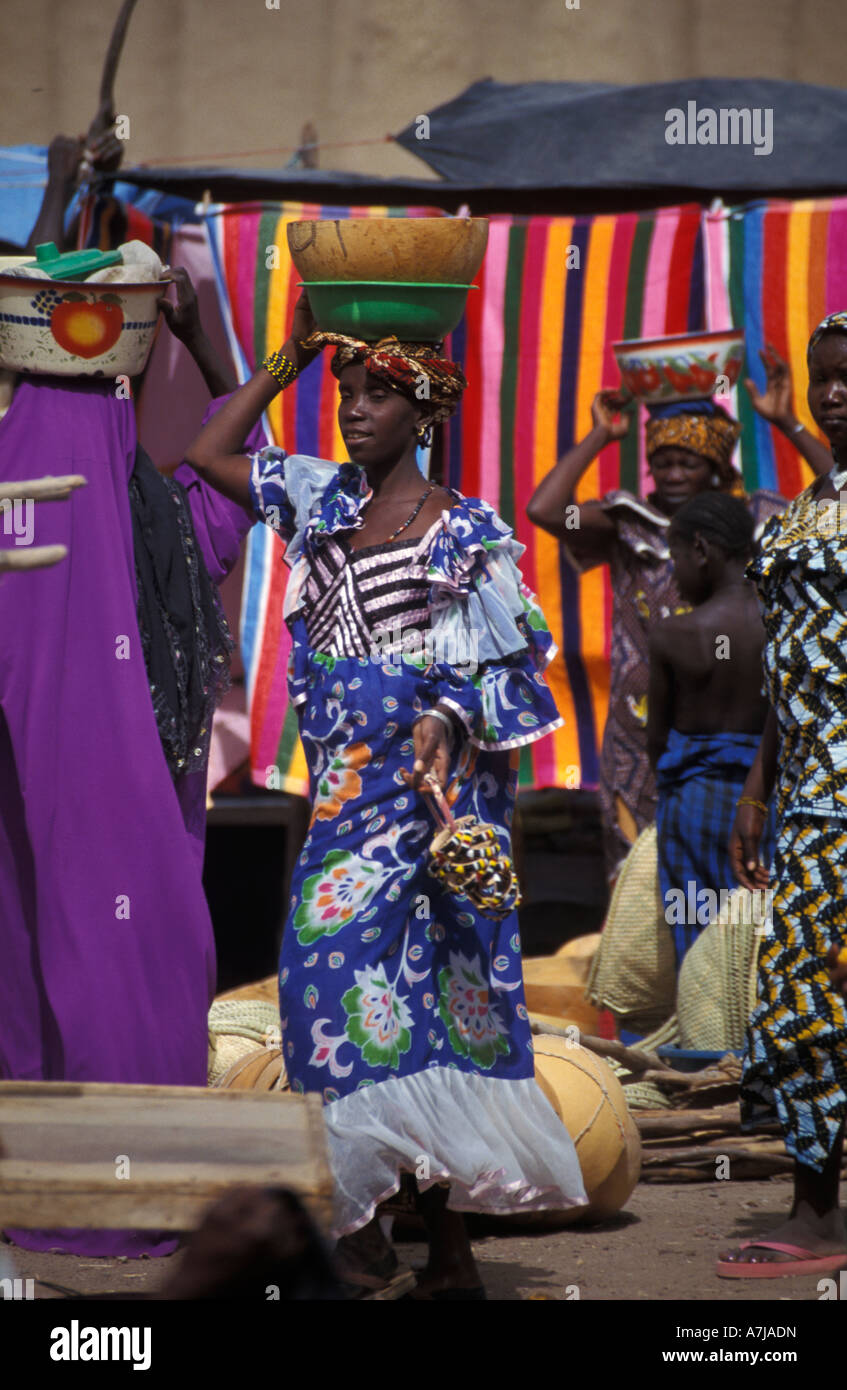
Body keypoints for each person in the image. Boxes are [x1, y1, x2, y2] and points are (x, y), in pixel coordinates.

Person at [184, 291, 587, 1298]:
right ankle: (361, 1220)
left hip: (435, 796)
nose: (353, 410)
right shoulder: (319, 500)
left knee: (444, 1010)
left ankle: (446, 1249)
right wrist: (283, 363)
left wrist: (447, 721)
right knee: (328, 990)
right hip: (345, 795)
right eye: (345, 393)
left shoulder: (463, 531)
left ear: (426, 412)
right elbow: (203, 453)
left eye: (376, 395)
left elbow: (507, 665)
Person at [0, 227, 258, 1257]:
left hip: (26, 803)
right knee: (138, 951)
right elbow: (246, 468)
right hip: (140, 803)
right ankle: (137, 1187)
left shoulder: (19, 511)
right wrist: (216, 343)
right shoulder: (161, 518)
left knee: (27, 941)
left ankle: (42, 1182)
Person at [527, 351, 833, 880]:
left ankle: (715, 963)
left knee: (733, 870)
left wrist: (788, 421)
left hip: (732, 729)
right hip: (638, 729)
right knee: (636, 872)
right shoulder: (628, 522)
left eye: (686, 463)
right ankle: (648, 961)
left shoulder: (756, 521)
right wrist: (600, 435)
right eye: (661, 462)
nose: (671, 475)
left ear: (716, 468)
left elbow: (842, 495)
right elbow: (546, 511)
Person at [717, 312, 847, 1278]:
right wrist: (757, 788)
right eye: (823, 377)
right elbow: (783, 673)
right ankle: (812, 1209)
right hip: (808, 803)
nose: (834, 390)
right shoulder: (805, 506)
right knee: (800, 1002)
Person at [647, 492, 775, 968]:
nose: (673, 574)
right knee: (759, 925)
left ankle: (704, 1034)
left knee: (698, 928)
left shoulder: (676, 634)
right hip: (765, 800)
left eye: (675, 557)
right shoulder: (782, 622)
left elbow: (656, 739)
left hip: (692, 801)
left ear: (700, 550)